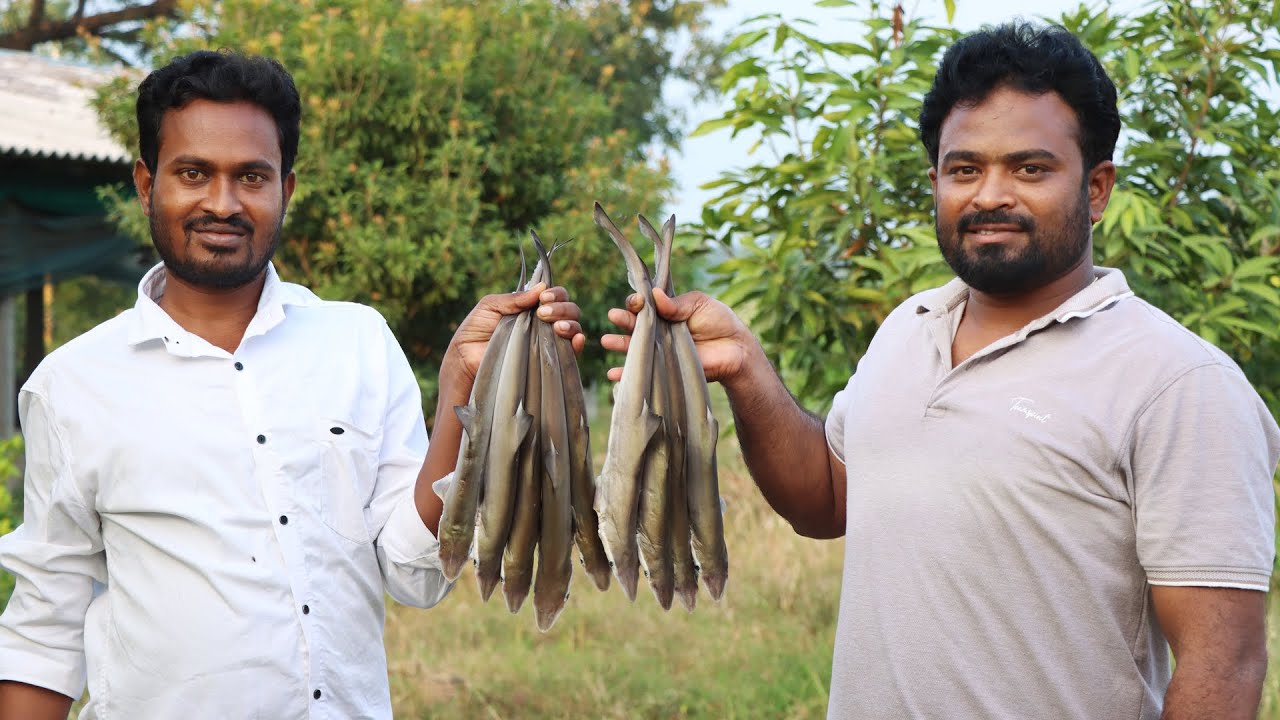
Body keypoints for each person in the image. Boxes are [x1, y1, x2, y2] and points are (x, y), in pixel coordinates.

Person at [604, 22, 1278, 720]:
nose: (990, 195)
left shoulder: (1177, 384)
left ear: (1098, 188)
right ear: (936, 182)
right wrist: (745, 365)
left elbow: (1222, 664)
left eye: (1030, 168)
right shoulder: (909, 328)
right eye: (965, 169)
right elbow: (826, 499)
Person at [0, 50, 584, 719]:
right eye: (193, 173)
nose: (222, 203)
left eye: (251, 176)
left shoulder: (356, 341)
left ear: (287, 188)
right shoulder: (73, 385)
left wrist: (463, 390)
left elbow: (412, 572)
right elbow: (45, 625)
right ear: (145, 182)